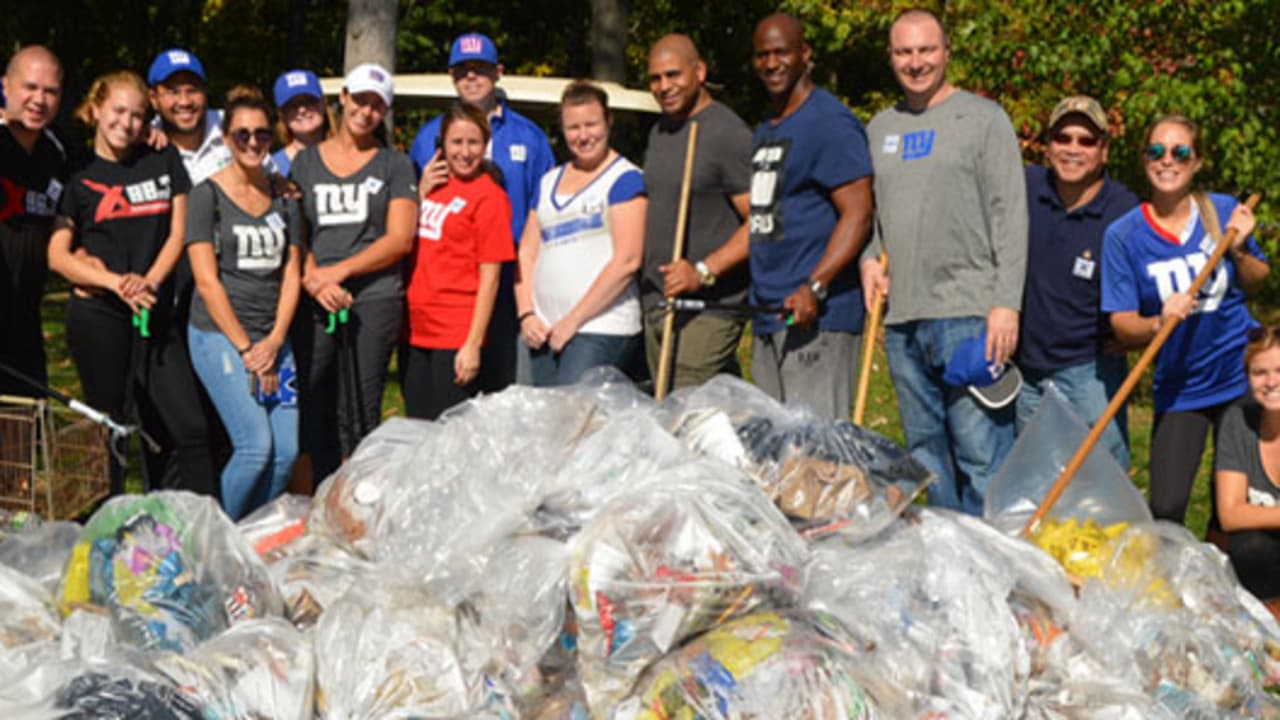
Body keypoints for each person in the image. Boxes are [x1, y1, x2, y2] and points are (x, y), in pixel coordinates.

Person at [860, 8, 1028, 514]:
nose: (916, 62)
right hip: (904, 320)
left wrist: (1006, 303)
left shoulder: (983, 119)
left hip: (970, 315)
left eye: (926, 50)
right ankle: (950, 570)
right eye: (904, 52)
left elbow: (1011, 216)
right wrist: (869, 258)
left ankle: (994, 574)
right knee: (927, 458)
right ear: (891, 58)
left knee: (982, 458)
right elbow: (874, 215)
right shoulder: (879, 129)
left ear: (947, 52)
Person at [46, 70, 217, 497]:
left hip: (155, 312)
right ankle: (107, 531)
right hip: (99, 315)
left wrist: (150, 284)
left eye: (139, 115)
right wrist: (114, 282)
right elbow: (58, 255)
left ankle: (195, 526)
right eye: (119, 111)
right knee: (109, 431)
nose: (129, 123)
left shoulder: (163, 159)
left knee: (190, 429)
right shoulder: (78, 172)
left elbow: (179, 233)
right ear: (96, 109)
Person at [1102, 114, 1266, 525]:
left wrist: (1241, 249)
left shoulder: (1222, 212)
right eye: (1156, 151)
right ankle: (1177, 578)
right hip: (1181, 388)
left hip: (1236, 376)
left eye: (1180, 152)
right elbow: (1122, 324)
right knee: (1168, 506)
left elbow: (1257, 281)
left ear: (1196, 162)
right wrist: (1158, 322)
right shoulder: (1123, 236)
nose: (1167, 160)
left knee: (1236, 501)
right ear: (1145, 160)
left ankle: (1225, 577)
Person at [408, 32, 554, 391]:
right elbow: (407, 216)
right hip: (451, 294)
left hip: (510, 284)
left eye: (481, 69)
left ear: (499, 72)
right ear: (451, 76)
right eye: (463, 70)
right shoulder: (429, 137)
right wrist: (420, 191)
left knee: (506, 387)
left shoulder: (529, 137)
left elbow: (547, 207)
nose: (471, 77)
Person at [292, 63, 416, 480]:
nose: (366, 111)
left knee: (360, 406)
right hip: (316, 296)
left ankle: (356, 494)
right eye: (360, 100)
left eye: (377, 106)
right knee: (312, 396)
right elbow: (295, 235)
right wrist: (314, 280)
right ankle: (313, 493)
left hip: (374, 297)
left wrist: (338, 272)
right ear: (343, 98)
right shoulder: (305, 163)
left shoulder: (394, 165)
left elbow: (400, 239)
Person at [747, 13, 874, 420]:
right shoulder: (765, 128)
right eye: (762, 55)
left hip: (818, 316)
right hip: (769, 313)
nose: (771, 63)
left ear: (805, 54)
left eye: (781, 52)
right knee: (779, 452)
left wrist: (814, 286)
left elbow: (858, 214)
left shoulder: (829, 122)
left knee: (817, 453)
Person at [186, 87, 303, 520]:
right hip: (221, 336)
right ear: (226, 138)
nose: (253, 143)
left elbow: (292, 272)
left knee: (286, 453)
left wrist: (273, 341)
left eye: (261, 134)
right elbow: (206, 281)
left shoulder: (285, 198)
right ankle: (226, 538)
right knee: (256, 447)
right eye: (242, 135)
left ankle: (255, 533)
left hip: (273, 338)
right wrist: (249, 351)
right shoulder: (207, 197)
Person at [1017, 95, 1138, 468]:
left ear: (1103, 150)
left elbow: (1150, 276)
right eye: (1062, 138)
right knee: (1035, 480)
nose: (1072, 149)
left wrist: (1132, 327)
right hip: (1026, 372)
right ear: (1047, 146)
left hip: (1090, 371)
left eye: (1086, 141)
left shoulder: (1123, 212)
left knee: (1104, 477)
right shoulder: (1023, 188)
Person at [514, 81, 645, 386]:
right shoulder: (548, 181)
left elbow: (628, 260)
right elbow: (528, 251)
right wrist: (527, 314)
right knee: (542, 421)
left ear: (608, 122)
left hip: (600, 326)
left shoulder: (624, 179)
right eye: (573, 127)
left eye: (591, 124)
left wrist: (573, 321)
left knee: (572, 419)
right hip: (543, 330)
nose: (583, 135)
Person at [641, 34, 753, 390]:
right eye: (656, 78)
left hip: (709, 306)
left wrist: (703, 271)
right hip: (661, 302)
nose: (664, 86)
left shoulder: (726, 132)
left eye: (673, 75)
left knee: (684, 407)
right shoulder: (660, 131)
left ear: (699, 71)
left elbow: (761, 223)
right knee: (700, 416)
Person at [404, 103, 514, 419]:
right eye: (457, 142)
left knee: (447, 435)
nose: (465, 152)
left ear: (486, 145)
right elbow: (401, 239)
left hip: (455, 332)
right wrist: (421, 193)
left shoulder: (489, 197)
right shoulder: (432, 185)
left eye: (473, 143)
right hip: (414, 329)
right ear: (442, 145)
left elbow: (490, 278)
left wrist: (473, 343)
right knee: (417, 429)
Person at [0, 45, 74, 397]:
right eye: (29, 87)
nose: (39, 99)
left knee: (21, 437)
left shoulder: (60, 152)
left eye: (50, 91)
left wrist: (152, 139)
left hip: (26, 321)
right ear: (6, 85)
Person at [1215, 325, 1280, 603]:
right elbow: (1230, 514)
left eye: (1279, 371)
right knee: (1248, 546)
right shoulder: (1237, 421)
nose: (1271, 382)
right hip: (1265, 552)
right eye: (1260, 373)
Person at [271, 69, 332, 177]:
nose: (302, 110)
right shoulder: (272, 167)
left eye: (309, 101)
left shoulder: (347, 157)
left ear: (323, 104)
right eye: (292, 105)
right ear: (282, 114)